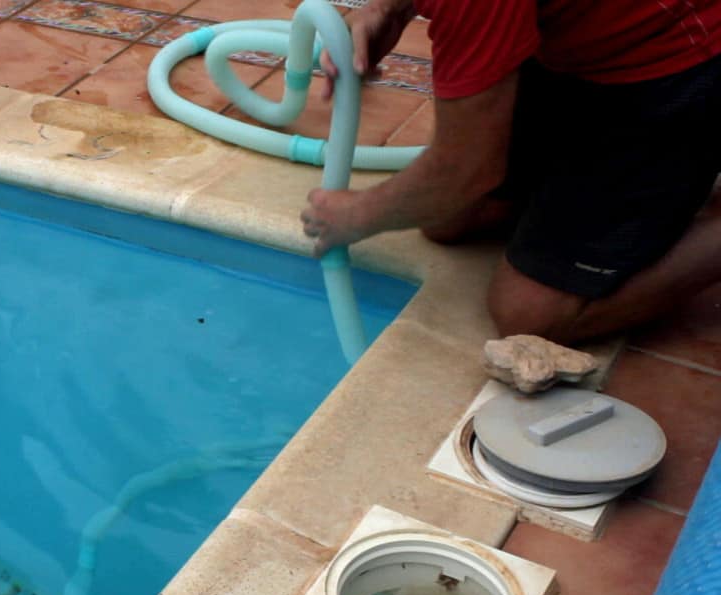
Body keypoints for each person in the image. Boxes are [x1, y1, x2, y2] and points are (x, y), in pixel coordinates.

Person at [300, 0, 721, 344]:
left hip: (681, 54)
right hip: (581, 33)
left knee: (528, 314)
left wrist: (355, 216)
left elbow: (464, 171)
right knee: (446, 219)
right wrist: (390, 7)